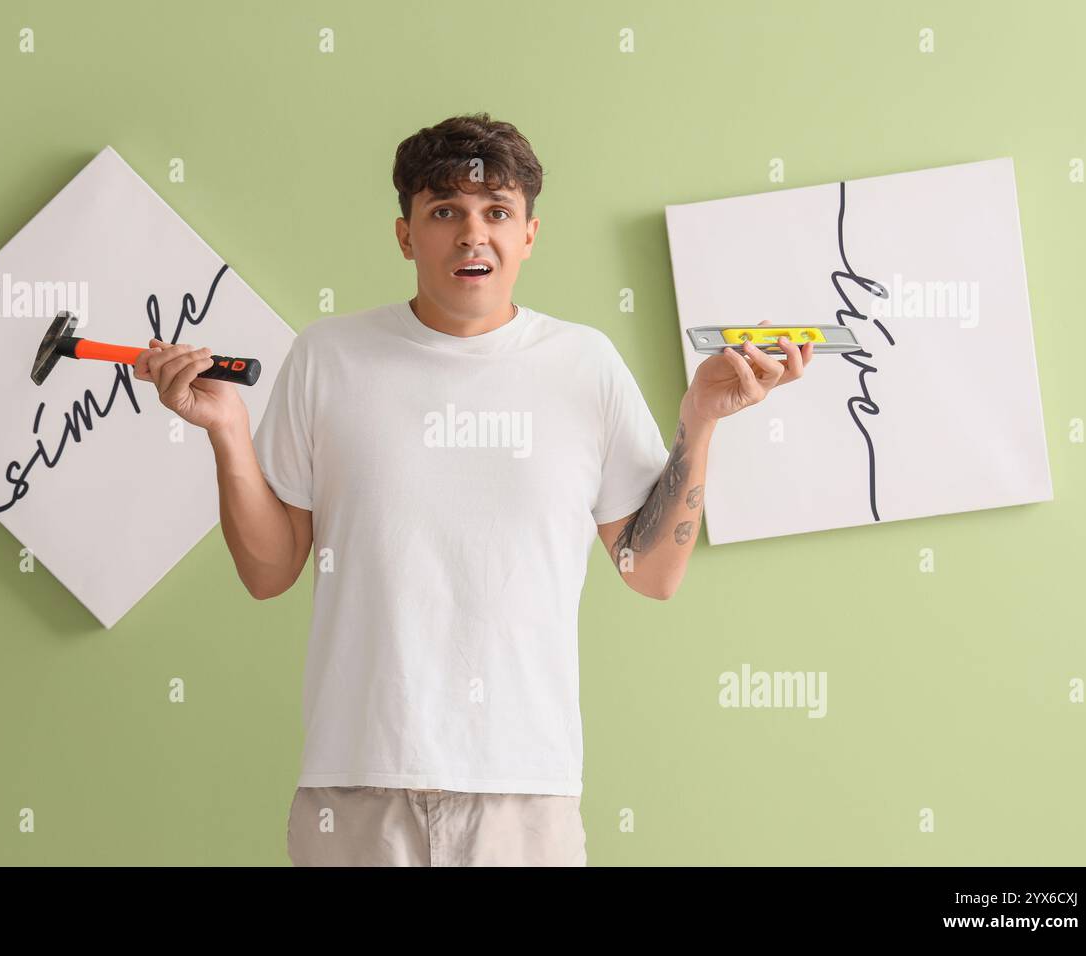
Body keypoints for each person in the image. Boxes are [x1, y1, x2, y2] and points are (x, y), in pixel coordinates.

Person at [134, 113, 811, 866]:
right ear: (405, 234)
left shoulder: (585, 365)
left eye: (497, 212)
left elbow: (650, 572)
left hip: (524, 794)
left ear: (529, 234)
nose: (471, 234)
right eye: (445, 212)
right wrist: (226, 429)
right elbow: (268, 571)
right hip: (357, 788)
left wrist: (701, 419)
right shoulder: (328, 358)